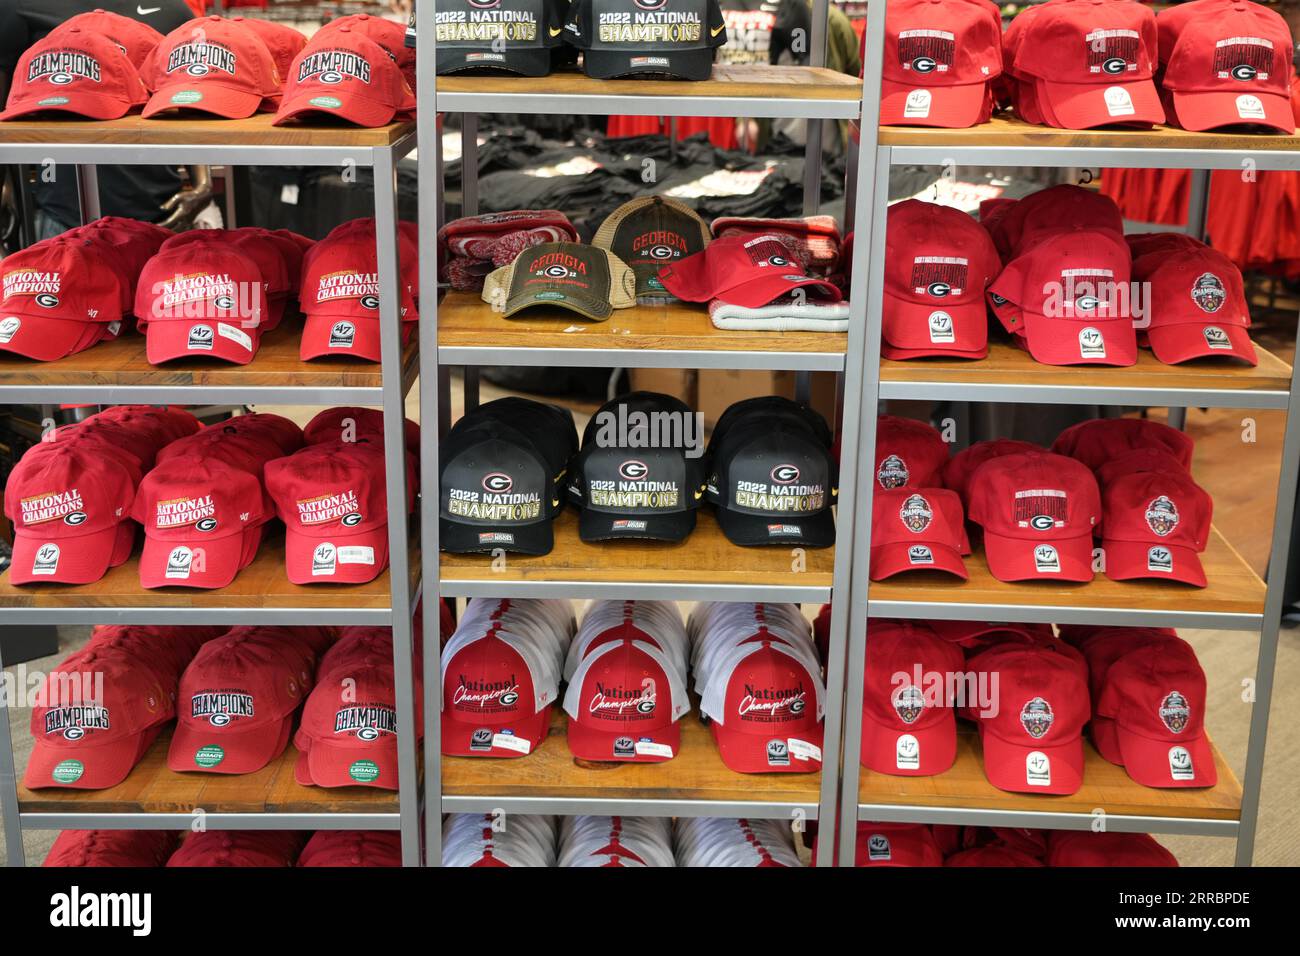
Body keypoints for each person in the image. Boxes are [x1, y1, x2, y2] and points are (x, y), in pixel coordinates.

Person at [0, 0, 214, 239]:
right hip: (64, 209)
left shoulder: (172, 10)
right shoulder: (20, 7)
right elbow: (5, 107)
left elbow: (189, 101)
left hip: (158, 204)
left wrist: (203, 183)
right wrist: (4, 183)